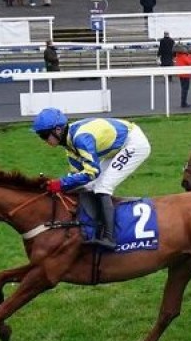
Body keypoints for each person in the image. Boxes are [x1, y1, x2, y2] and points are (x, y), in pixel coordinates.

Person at [31, 107, 152, 250]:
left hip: (134, 144)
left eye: (44, 135)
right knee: (89, 186)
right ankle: (94, 226)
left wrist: (60, 184)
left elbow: (91, 172)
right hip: (119, 146)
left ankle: (110, 238)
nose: (44, 140)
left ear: (58, 130)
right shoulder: (69, 146)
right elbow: (78, 178)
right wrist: (54, 186)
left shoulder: (81, 139)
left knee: (102, 186)